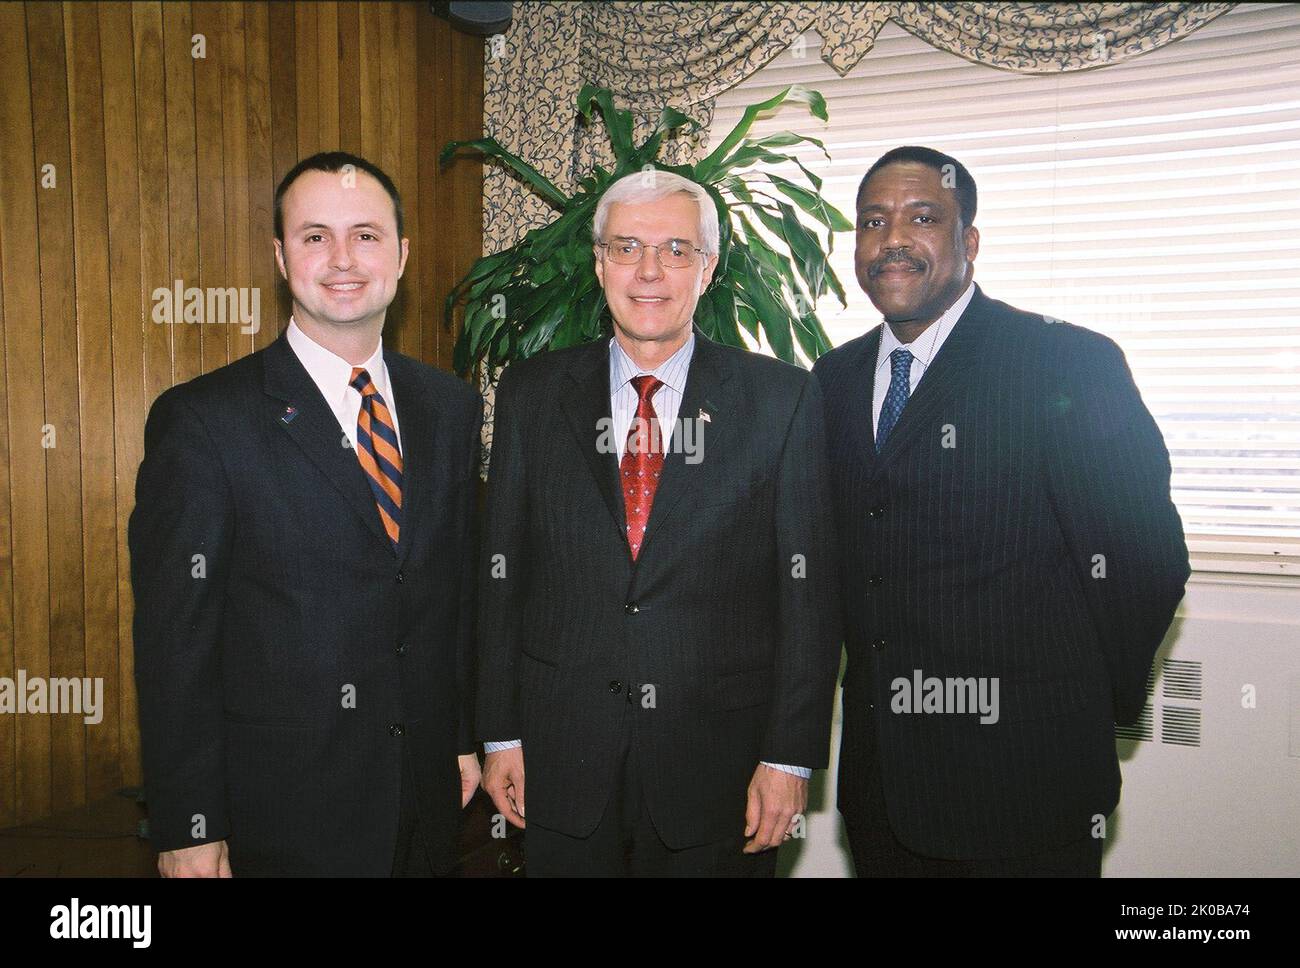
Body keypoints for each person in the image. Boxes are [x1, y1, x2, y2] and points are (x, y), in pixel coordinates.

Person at [813, 145, 1189, 877]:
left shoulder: (1064, 363)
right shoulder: (832, 379)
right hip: (881, 794)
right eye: (871, 221)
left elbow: (1143, 561)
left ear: (969, 242)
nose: (892, 239)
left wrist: (1081, 704)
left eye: (923, 218)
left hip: (1027, 787)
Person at [476, 170, 841, 876]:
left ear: (708, 267)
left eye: (676, 250)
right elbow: (501, 581)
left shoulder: (783, 401)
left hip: (720, 770)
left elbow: (810, 599)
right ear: (598, 263)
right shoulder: (531, 393)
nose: (649, 271)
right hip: (561, 759)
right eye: (626, 248)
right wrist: (499, 736)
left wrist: (789, 755)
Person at [130, 152, 482, 876]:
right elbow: (174, 648)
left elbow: (451, 597)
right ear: (281, 259)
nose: (344, 258)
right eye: (315, 236)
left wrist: (458, 738)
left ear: (402, 255)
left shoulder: (448, 408)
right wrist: (188, 824)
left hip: (425, 806)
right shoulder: (202, 423)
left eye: (367, 235)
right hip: (279, 821)